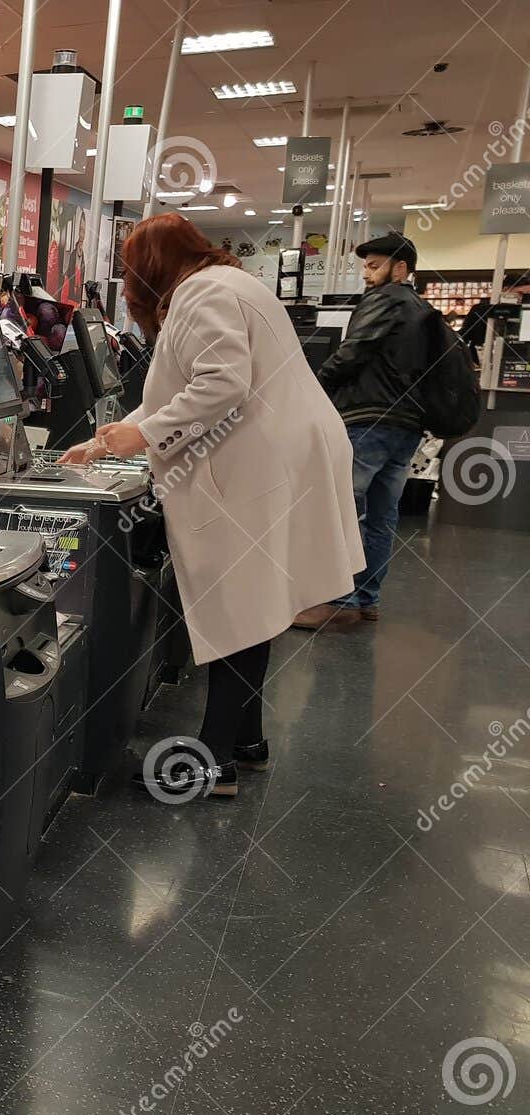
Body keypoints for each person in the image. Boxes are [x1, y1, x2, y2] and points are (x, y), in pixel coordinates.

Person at [59, 213, 363, 801]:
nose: (124, 286)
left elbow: (221, 383)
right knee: (253, 604)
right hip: (277, 455)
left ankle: (213, 762)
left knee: (240, 606)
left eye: (127, 272)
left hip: (258, 466)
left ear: (152, 268)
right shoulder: (227, 283)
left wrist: (142, 438)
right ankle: (244, 740)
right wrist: (108, 438)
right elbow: (189, 390)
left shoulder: (201, 294)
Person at [292, 233, 428, 629]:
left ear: (400, 268)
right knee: (383, 515)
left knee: (342, 510)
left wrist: (311, 388)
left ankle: (338, 601)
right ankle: (366, 598)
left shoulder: (386, 300)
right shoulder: (421, 307)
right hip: (408, 425)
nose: (366, 275)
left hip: (370, 419)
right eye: (365, 266)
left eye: (374, 266)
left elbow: (352, 353)